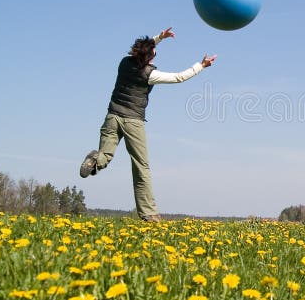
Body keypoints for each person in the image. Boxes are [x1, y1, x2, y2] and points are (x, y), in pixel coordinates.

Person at [79, 27, 216, 222]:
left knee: (106, 155)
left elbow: (142, 49)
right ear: (150, 57)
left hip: (112, 116)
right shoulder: (149, 74)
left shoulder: (124, 63)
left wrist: (160, 37)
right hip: (133, 121)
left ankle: (94, 160)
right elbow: (179, 77)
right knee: (141, 166)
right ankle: (149, 214)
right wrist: (201, 66)